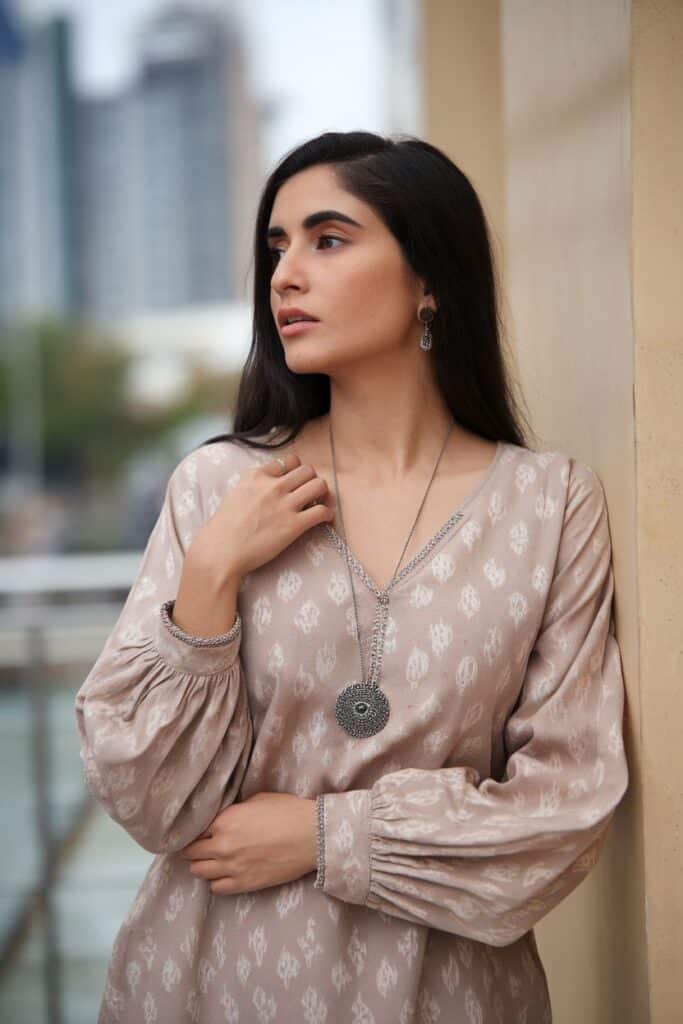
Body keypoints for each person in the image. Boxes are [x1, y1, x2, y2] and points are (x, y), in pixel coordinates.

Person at [75, 131, 629, 1023]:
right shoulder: (217, 488)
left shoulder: (549, 505)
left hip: (444, 993)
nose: (285, 275)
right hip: (211, 980)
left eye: (327, 240)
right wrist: (211, 574)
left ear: (428, 278)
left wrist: (327, 836)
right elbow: (149, 801)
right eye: (277, 247)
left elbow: (563, 810)